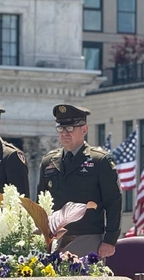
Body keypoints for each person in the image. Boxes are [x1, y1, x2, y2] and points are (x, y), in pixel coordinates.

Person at [36, 104, 121, 258]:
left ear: (84, 130)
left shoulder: (99, 160)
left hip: (87, 238)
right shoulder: (48, 161)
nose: (64, 133)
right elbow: (41, 202)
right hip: (53, 241)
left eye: (70, 128)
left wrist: (110, 240)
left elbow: (113, 202)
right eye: (60, 128)